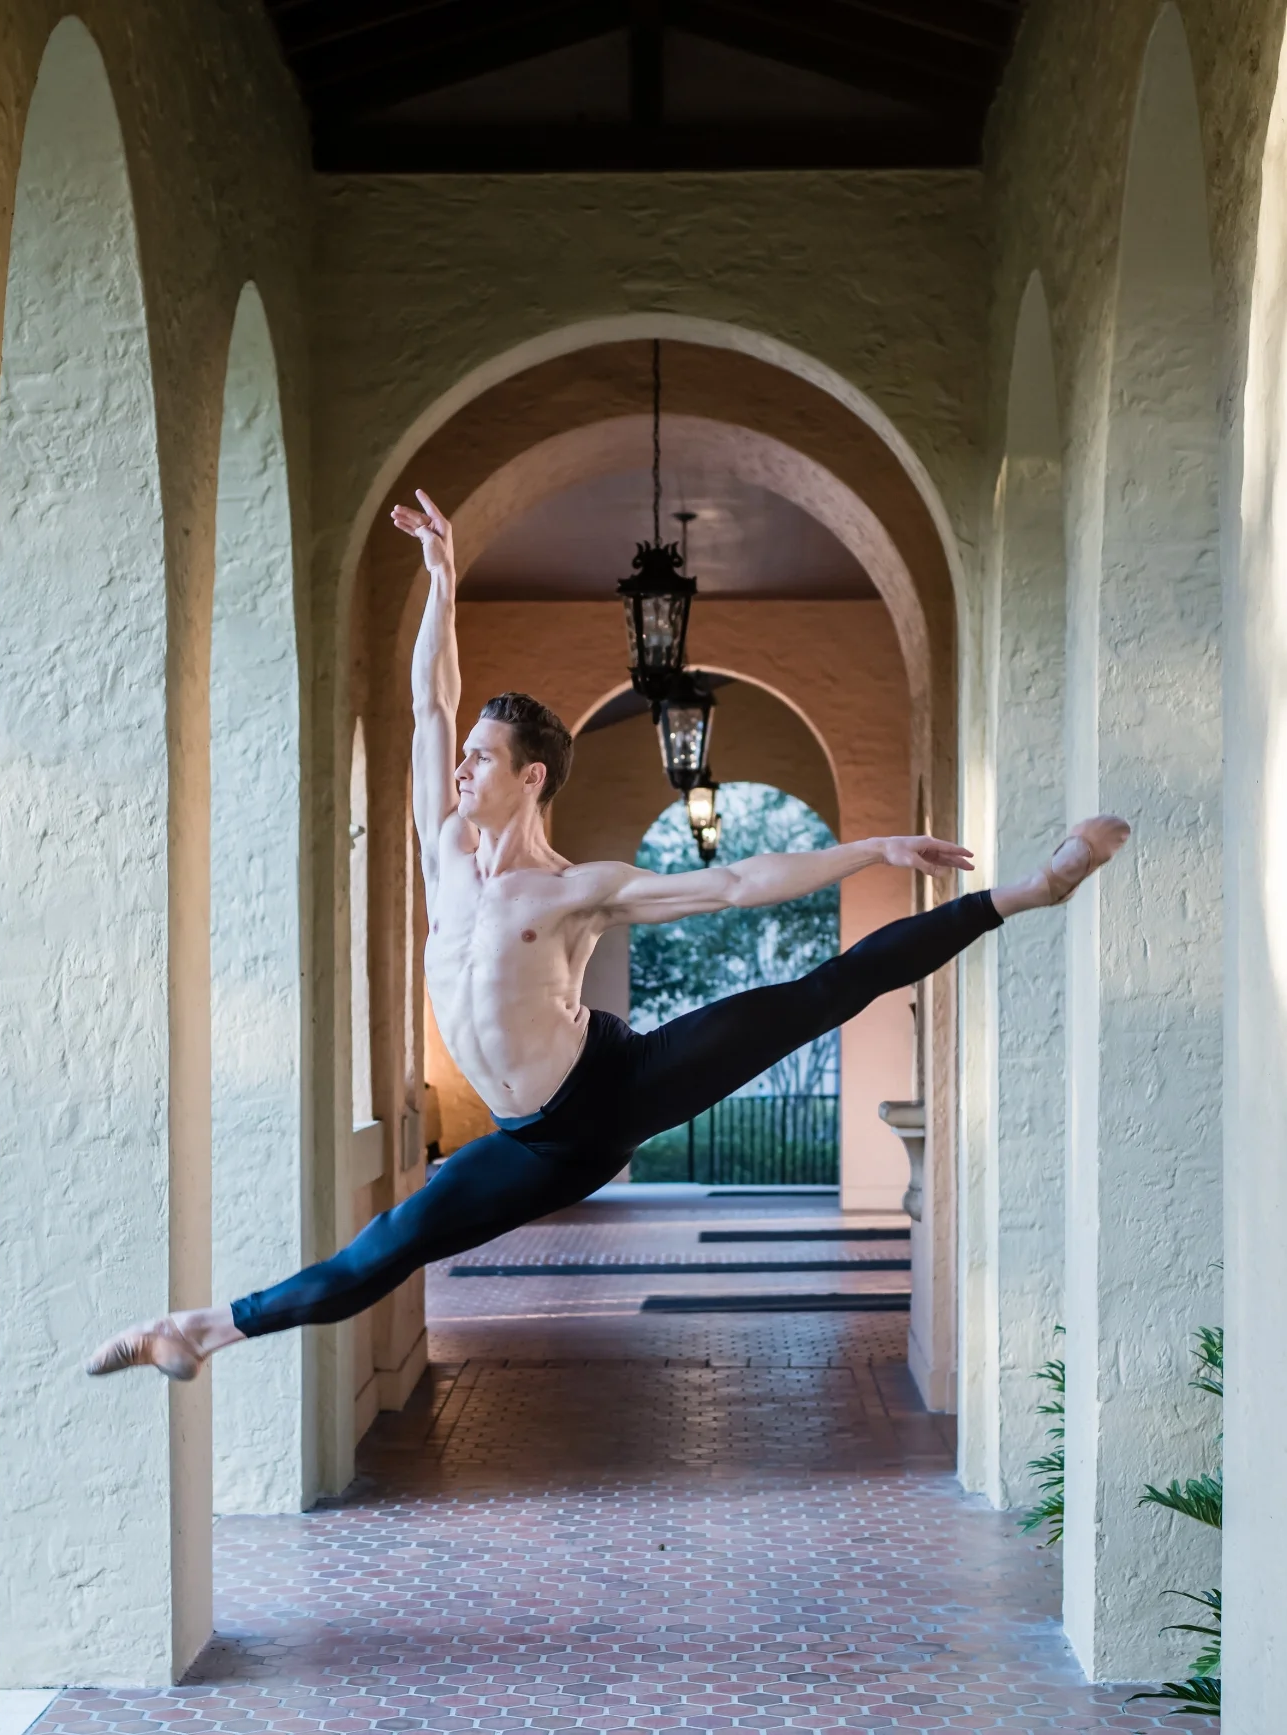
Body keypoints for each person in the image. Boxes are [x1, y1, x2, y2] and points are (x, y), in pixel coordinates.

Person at [87, 491, 1129, 1381]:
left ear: (529, 776)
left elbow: (736, 884)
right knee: (387, 1247)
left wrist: (871, 848)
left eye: (483, 758)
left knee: (817, 996)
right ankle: (198, 1331)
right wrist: (442, 577)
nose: (461, 769)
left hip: (616, 1087)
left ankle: (1030, 891)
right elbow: (427, 704)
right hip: (529, 1144)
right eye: (465, 757)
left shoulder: (579, 888)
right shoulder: (444, 850)